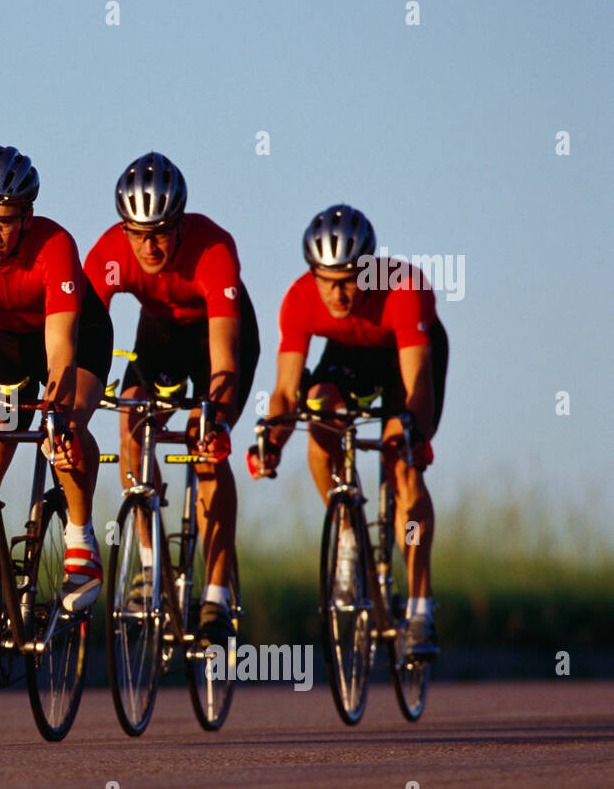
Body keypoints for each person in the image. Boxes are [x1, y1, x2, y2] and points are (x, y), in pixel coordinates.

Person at [0, 145, 112, 684]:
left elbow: (60, 351)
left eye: (5, 224)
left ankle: (80, 539)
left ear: (27, 219)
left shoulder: (54, 245)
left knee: (66, 425)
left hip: (72, 337)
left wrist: (54, 410)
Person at [247, 204, 448, 659]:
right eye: (327, 280)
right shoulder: (300, 298)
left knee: (404, 465)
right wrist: (273, 438)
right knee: (317, 408)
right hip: (348, 355)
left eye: (350, 279)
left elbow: (416, 383)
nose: (337, 293)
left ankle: (419, 607)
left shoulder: (403, 288)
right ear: (312, 274)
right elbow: (284, 392)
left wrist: (409, 429)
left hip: (407, 358)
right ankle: (347, 532)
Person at [83, 152, 260, 648]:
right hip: (160, 331)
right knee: (131, 419)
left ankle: (218, 595)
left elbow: (225, 360)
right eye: (138, 233)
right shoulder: (110, 254)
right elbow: (82, 338)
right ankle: (148, 566)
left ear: (180, 224)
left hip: (218, 334)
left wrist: (217, 420)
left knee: (207, 451)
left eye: (160, 231)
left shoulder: (213, 250)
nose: (150, 245)